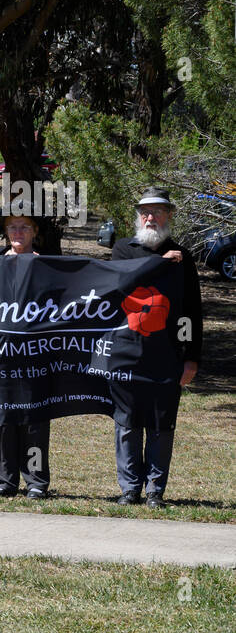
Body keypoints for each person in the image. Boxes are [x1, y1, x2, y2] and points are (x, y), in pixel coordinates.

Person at [109, 186, 202, 509]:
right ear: (138, 217)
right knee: (127, 422)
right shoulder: (123, 249)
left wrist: (191, 357)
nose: (150, 218)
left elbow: (191, 309)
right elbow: (121, 284)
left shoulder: (183, 256)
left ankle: (154, 491)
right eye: (145, 212)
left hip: (168, 354)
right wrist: (162, 263)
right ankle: (130, 488)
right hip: (126, 352)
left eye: (157, 212)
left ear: (169, 216)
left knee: (162, 424)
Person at [0, 213, 53, 497]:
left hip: (34, 355)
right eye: (12, 226)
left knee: (34, 420)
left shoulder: (47, 265)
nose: (18, 231)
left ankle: (36, 482)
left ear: (35, 231)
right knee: (0, 418)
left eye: (24, 226)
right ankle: (4, 480)